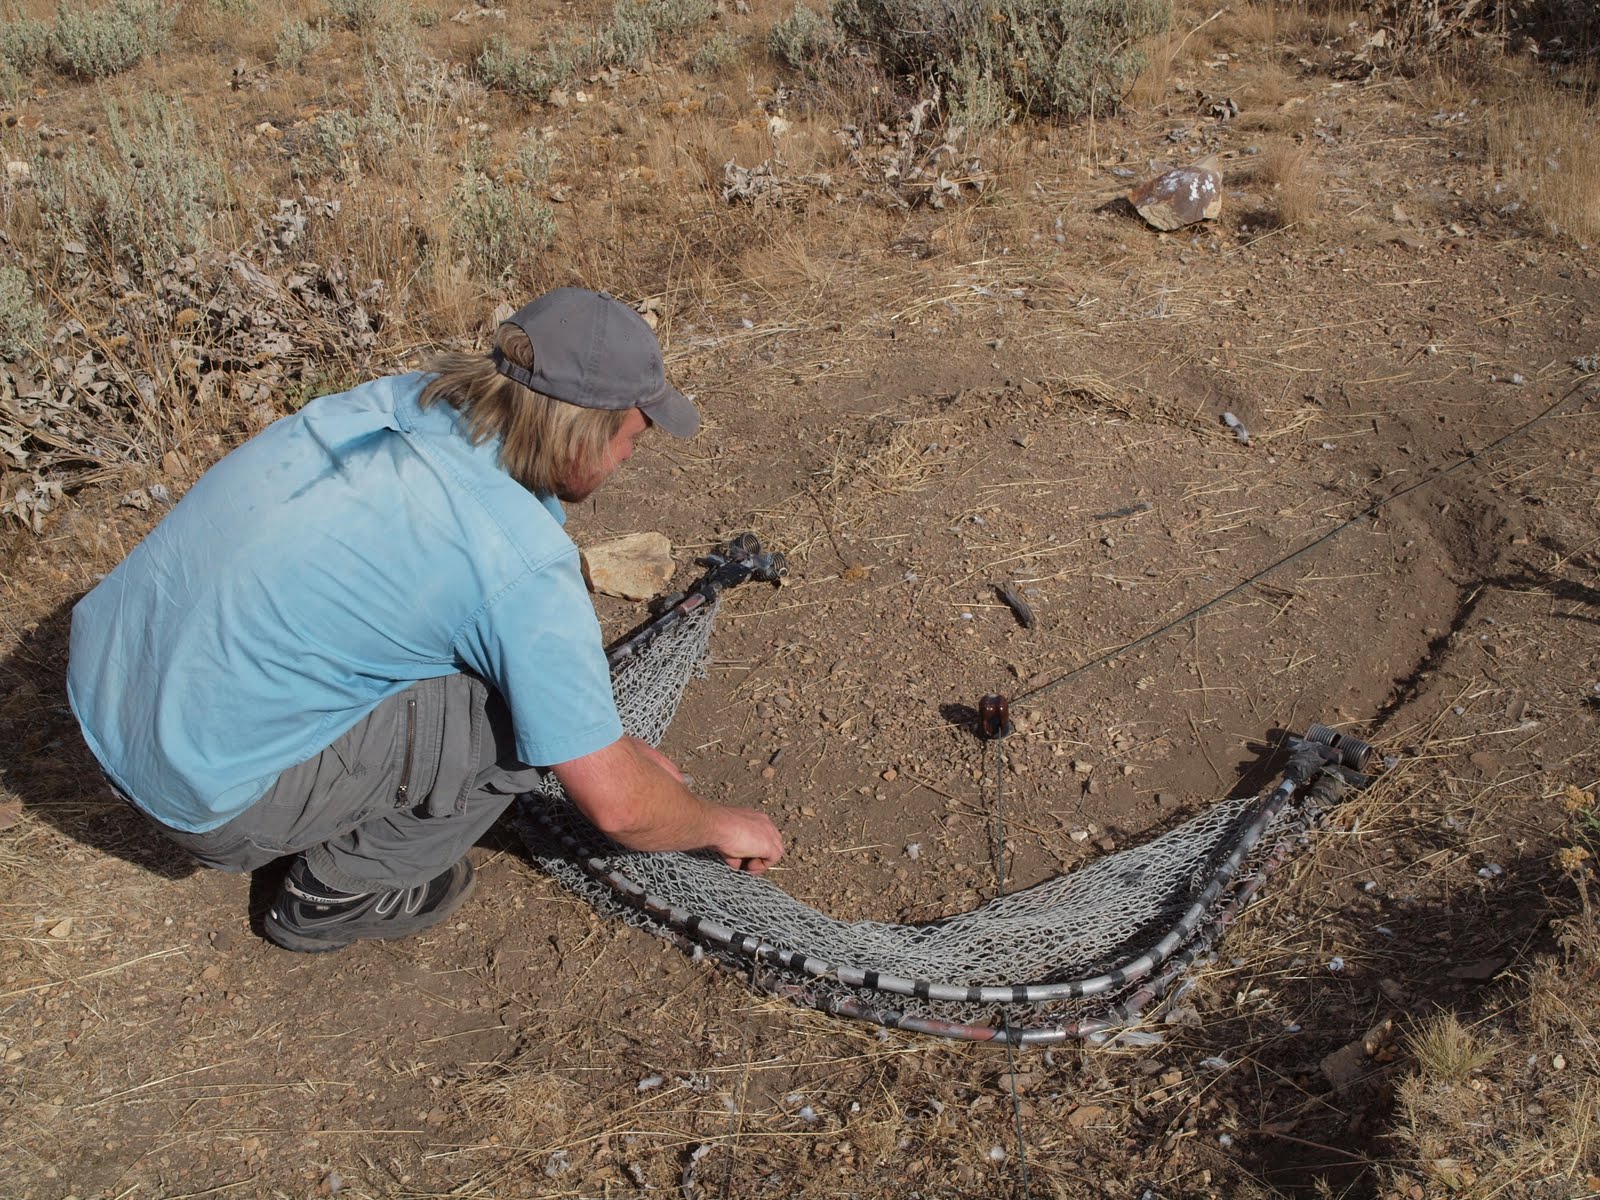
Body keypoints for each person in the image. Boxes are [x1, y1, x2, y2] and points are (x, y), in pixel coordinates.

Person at [67, 288, 784, 953]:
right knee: (510, 721)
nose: (631, 453)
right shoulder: (519, 562)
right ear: (581, 435)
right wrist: (717, 822)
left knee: (498, 670)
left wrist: (611, 743)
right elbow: (619, 808)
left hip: (105, 694)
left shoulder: (392, 401)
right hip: (195, 793)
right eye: (633, 436)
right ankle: (337, 894)